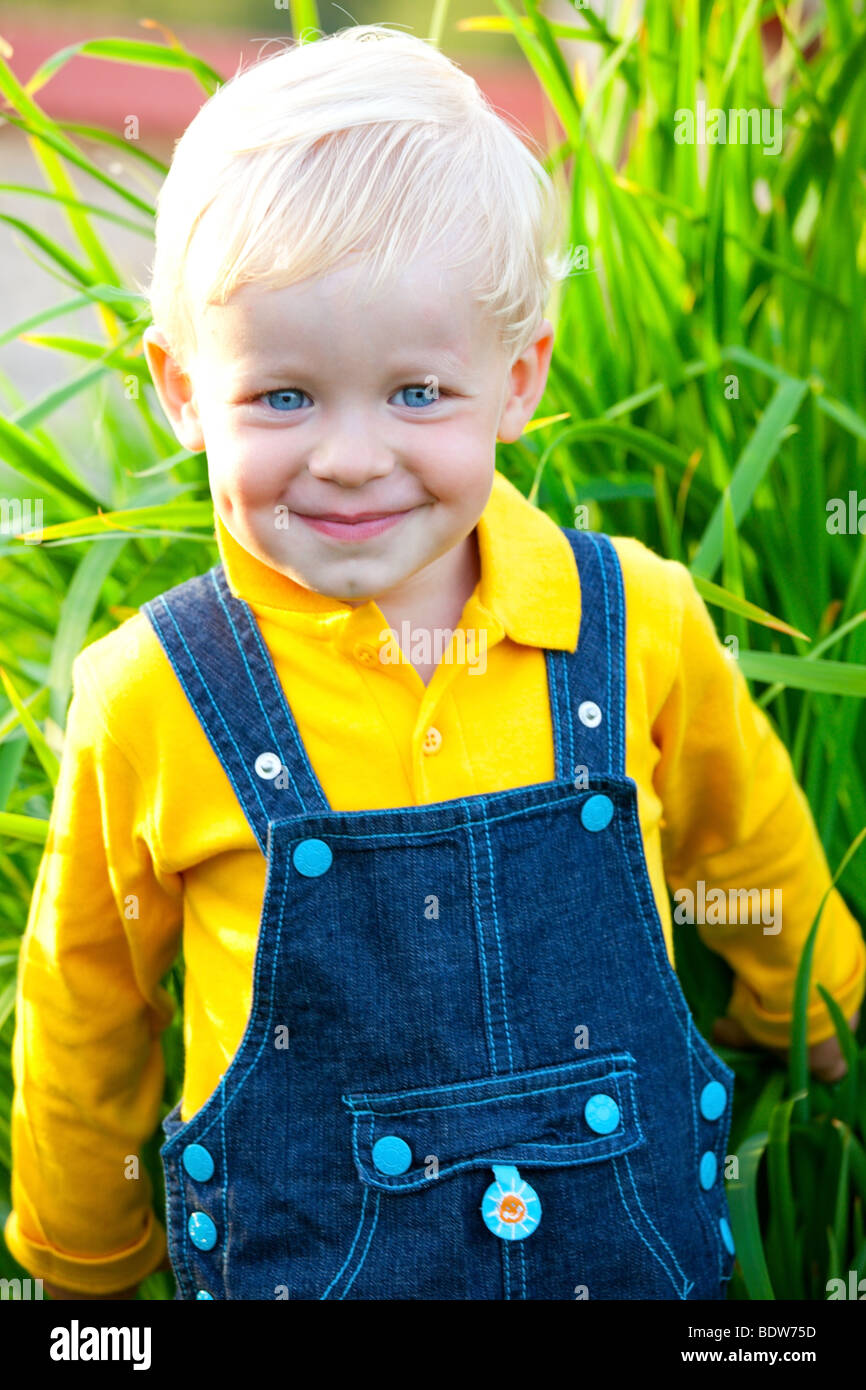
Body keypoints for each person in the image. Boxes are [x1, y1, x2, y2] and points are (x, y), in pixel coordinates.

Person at [6, 24, 864, 1301]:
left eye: (416, 393)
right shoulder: (154, 692)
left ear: (515, 381)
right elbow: (90, 994)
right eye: (283, 397)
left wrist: (818, 1009)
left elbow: (742, 837)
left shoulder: (634, 622)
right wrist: (80, 1254)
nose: (351, 456)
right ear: (182, 388)